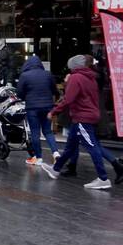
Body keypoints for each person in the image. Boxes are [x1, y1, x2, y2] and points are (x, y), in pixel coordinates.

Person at [40, 55, 114, 189]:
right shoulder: (90, 77)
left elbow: (69, 99)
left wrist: (54, 111)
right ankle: (56, 169)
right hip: (86, 115)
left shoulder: (75, 78)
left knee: (92, 146)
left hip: (82, 117)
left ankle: (103, 178)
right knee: (70, 147)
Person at [16, 54, 59, 167]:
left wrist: (25, 97)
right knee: (48, 132)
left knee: (35, 132)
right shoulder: (47, 74)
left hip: (32, 108)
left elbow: (19, 93)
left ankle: (38, 158)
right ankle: (56, 154)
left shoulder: (24, 75)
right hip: (47, 107)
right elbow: (55, 90)